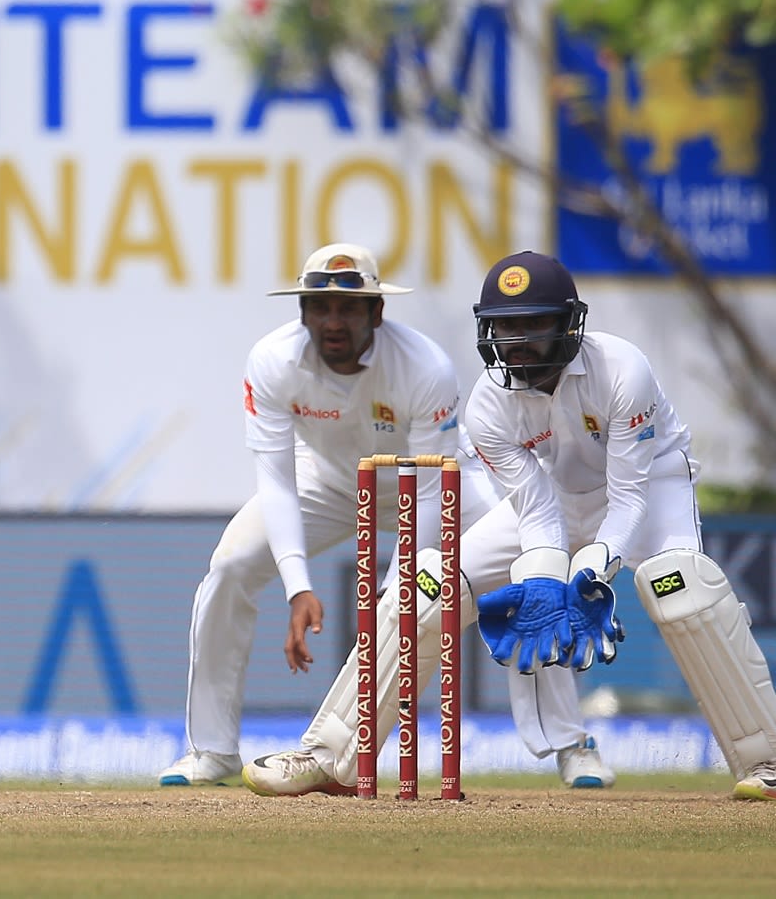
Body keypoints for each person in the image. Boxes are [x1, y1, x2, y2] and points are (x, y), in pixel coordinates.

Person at [246, 250, 776, 802]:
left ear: (568, 323)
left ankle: (767, 760)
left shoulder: (622, 370)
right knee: (426, 588)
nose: (516, 341)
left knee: (681, 587)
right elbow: (538, 510)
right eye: (504, 327)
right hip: (555, 494)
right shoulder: (487, 406)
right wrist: (545, 577)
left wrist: (593, 568)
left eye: (533, 326)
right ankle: (333, 757)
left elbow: (628, 498)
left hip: (650, 486)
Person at [159, 244, 610, 790]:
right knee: (229, 566)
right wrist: (298, 587)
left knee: (523, 580)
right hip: (324, 479)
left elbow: (423, 496)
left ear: (376, 311)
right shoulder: (272, 361)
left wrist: (393, 600)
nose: (332, 322)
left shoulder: (423, 367)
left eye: (348, 308)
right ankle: (210, 748)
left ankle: (570, 744)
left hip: (440, 483)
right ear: (301, 311)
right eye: (319, 307)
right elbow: (276, 480)